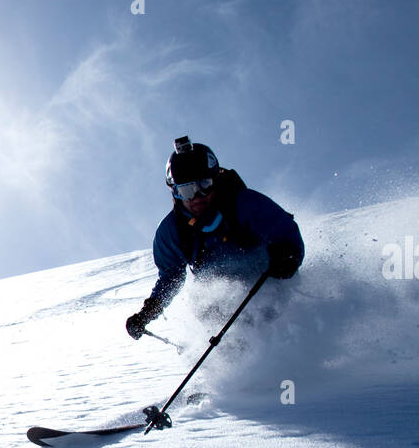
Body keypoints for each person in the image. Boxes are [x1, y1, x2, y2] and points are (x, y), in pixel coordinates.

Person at [126, 136, 304, 340]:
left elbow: (284, 231)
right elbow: (170, 276)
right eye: (186, 190)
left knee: (275, 327)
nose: (197, 196)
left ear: (216, 180)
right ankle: (240, 363)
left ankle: (288, 348)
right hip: (221, 309)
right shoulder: (172, 231)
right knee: (204, 303)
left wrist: (288, 255)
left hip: (269, 284)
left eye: (204, 184)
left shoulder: (245, 204)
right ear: (175, 192)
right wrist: (148, 312)